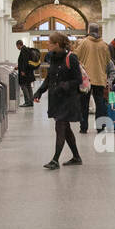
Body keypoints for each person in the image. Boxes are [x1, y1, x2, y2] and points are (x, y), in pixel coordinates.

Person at [32, 33, 82, 168]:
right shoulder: (52, 58)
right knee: (66, 129)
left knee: (60, 126)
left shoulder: (71, 58)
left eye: (50, 43)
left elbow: (78, 79)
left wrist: (64, 85)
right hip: (56, 99)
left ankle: (55, 160)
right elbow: (49, 78)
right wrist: (40, 91)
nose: (48, 45)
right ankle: (76, 157)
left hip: (68, 99)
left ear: (57, 44)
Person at [74, 24, 112, 132]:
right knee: (100, 103)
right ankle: (100, 127)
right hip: (100, 77)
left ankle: (84, 127)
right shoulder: (104, 45)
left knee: (84, 104)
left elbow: (75, 56)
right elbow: (107, 60)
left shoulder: (84, 43)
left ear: (89, 30)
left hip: (86, 78)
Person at [16, 39, 40, 106]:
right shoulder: (26, 50)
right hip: (29, 72)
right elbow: (24, 61)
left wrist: (23, 70)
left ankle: (27, 102)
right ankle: (31, 101)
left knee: (24, 86)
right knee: (28, 86)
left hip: (25, 73)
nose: (17, 48)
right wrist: (19, 67)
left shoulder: (23, 50)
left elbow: (24, 62)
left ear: (18, 45)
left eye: (17, 46)